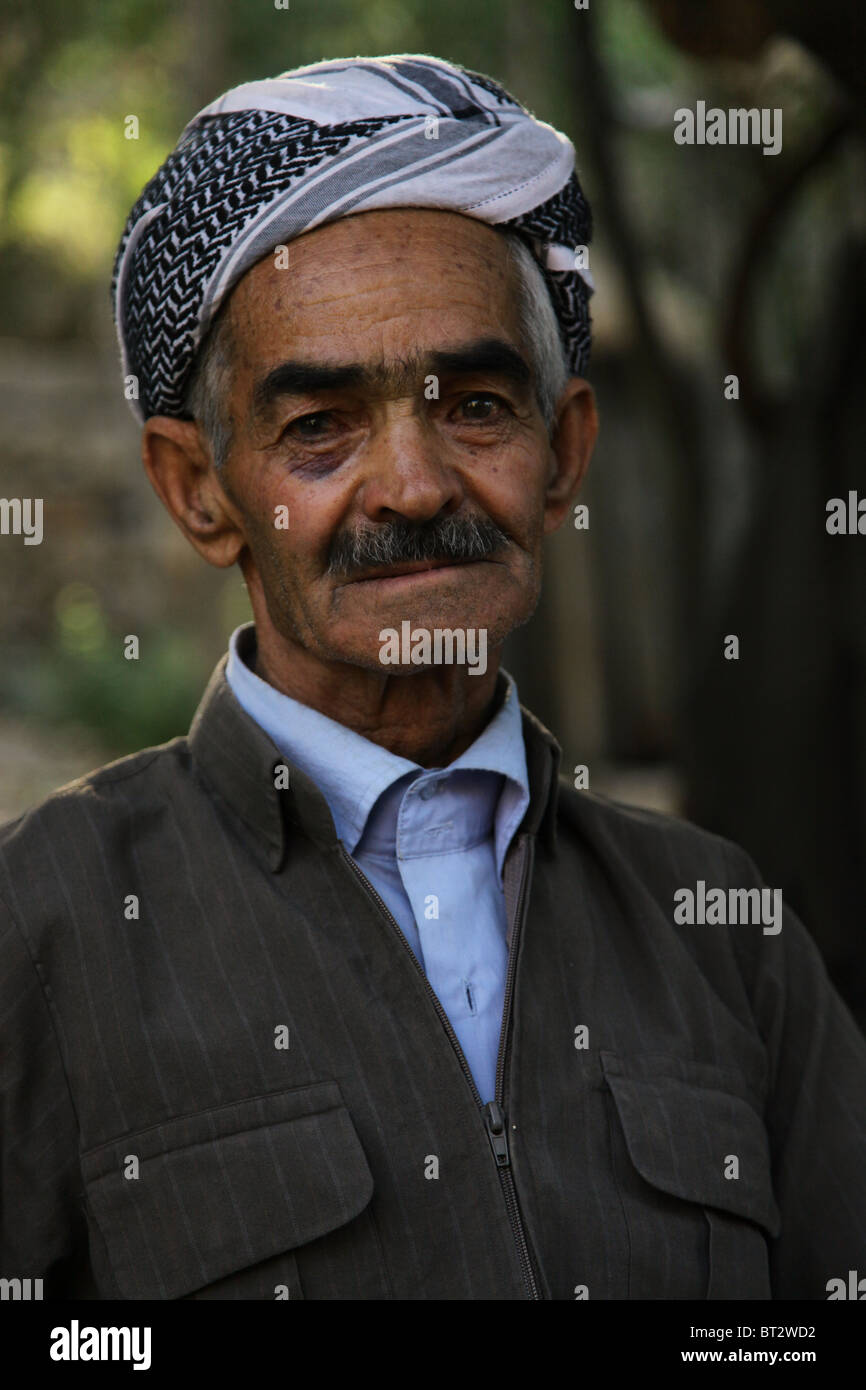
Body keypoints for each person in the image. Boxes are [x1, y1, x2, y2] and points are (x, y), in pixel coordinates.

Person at [1, 54, 864, 1302]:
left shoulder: (716, 925)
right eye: (320, 429)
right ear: (199, 491)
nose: (411, 487)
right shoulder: (40, 926)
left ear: (561, 454)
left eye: (471, 406)